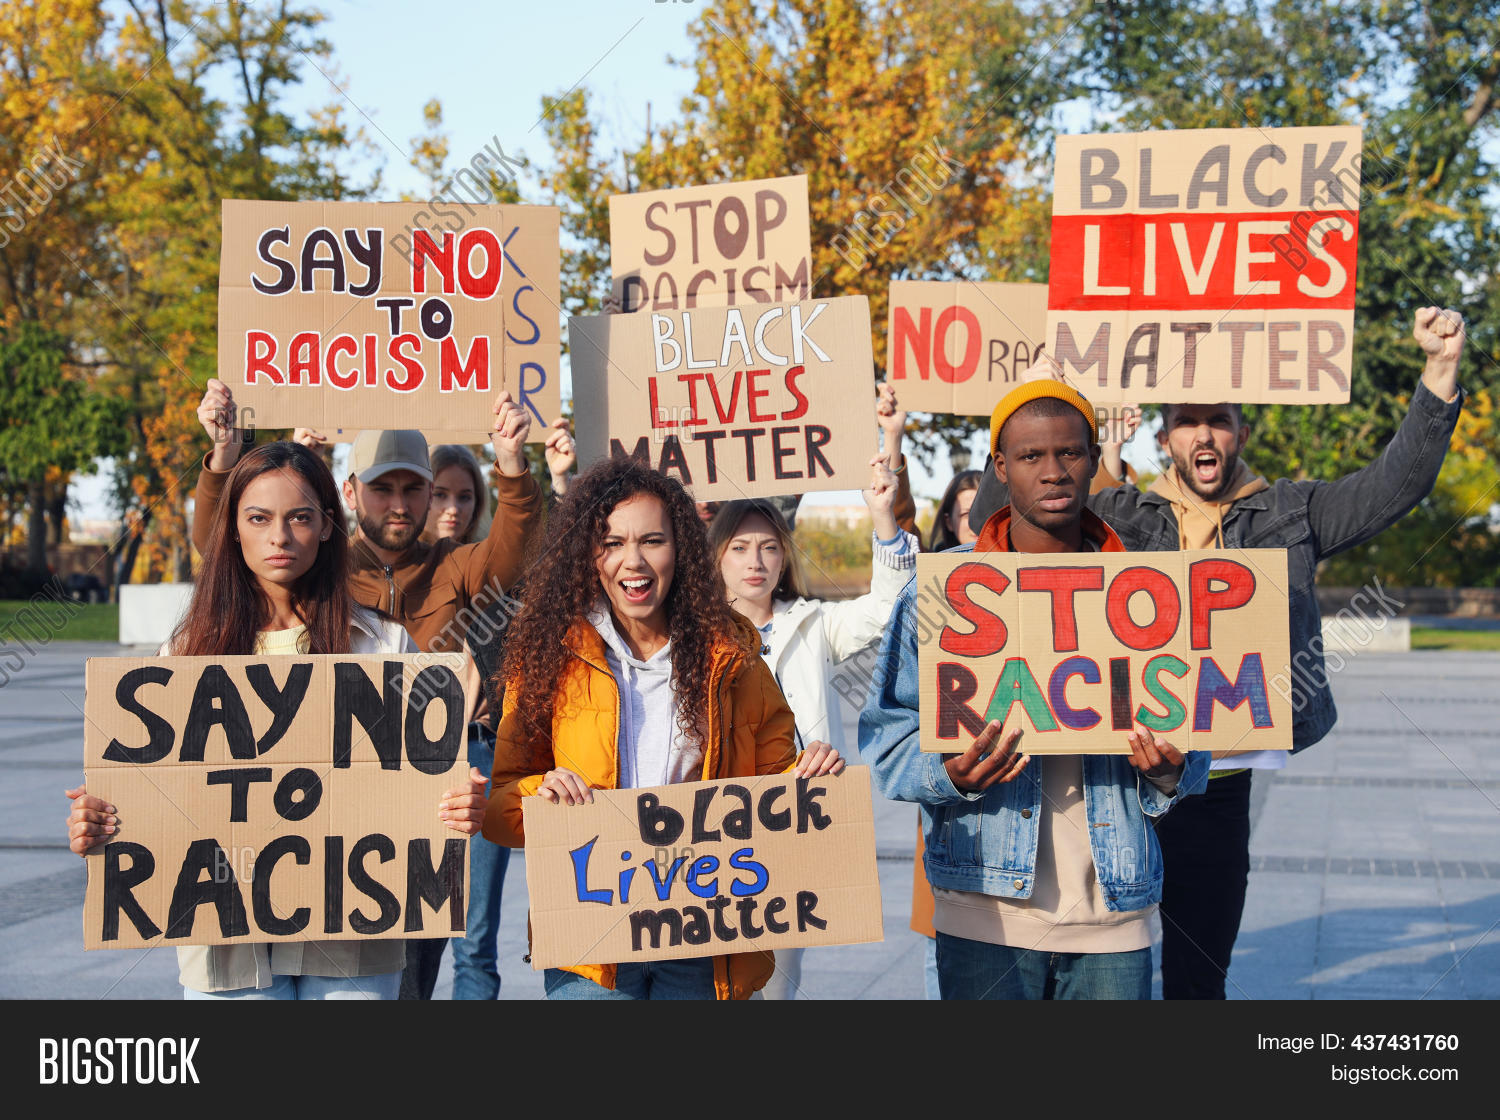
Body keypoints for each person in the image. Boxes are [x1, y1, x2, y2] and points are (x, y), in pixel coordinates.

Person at [967, 307, 1468, 999]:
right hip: (1121, 785)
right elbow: (993, 520)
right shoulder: (1119, 515)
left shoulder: (1293, 512)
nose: (1203, 434)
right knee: (1108, 976)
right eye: (1186, 421)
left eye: (1220, 420)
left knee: (1199, 980)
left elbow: (1394, 487)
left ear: (1242, 432)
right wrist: (1031, 397)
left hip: (1219, 786)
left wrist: (1439, 372)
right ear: (1165, 437)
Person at [64, 441, 488, 999]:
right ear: (233, 528)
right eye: (259, 518)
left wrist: (456, 805)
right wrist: (103, 820)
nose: (280, 537)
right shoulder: (187, 653)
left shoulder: (384, 645)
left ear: (329, 525)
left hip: (353, 925)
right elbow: (154, 792)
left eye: (300, 518)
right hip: (225, 930)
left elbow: (415, 792)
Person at [192, 381, 543, 1000]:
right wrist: (234, 460)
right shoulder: (313, 560)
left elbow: (513, 556)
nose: (398, 505)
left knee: (432, 961)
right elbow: (221, 543)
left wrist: (513, 466)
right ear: (349, 497)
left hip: (395, 823)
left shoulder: (449, 570)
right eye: (382, 488)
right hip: (254, 885)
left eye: (413, 489)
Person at [861, 380, 1209, 999]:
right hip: (982, 913)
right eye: (1030, 456)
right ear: (1001, 466)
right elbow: (887, 744)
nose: (1053, 472)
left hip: (1112, 918)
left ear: (1094, 458)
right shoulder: (941, 595)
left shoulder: (1152, 593)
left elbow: (1198, 742)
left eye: (1070, 453)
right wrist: (948, 773)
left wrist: (1170, 770)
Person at [483, 457, 846, 1000]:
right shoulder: (547, 656)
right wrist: (542, 792)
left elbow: (772, 789)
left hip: (701, 934)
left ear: (681, 550)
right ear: (587, 554)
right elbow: (499, 813)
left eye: (652, 541)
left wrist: (807, 777)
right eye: (612, 543)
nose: (634, 561)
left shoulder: (733, 657)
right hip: (592, 944)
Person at [708, 456, 916, 999]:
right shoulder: (690, 635)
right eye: (740, 547)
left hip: (795, 823)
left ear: (784, 558)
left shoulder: (814, 623)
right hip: (712, 825)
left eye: (769, 547)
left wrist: (883, 516)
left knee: (778, 980)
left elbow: (890, 606)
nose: (756, 561)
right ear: (716, 556)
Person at [927, 469, 981, 552]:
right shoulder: (930, 560)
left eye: (986, 513)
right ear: (949, 522)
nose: (978, 523)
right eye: (966, 514)